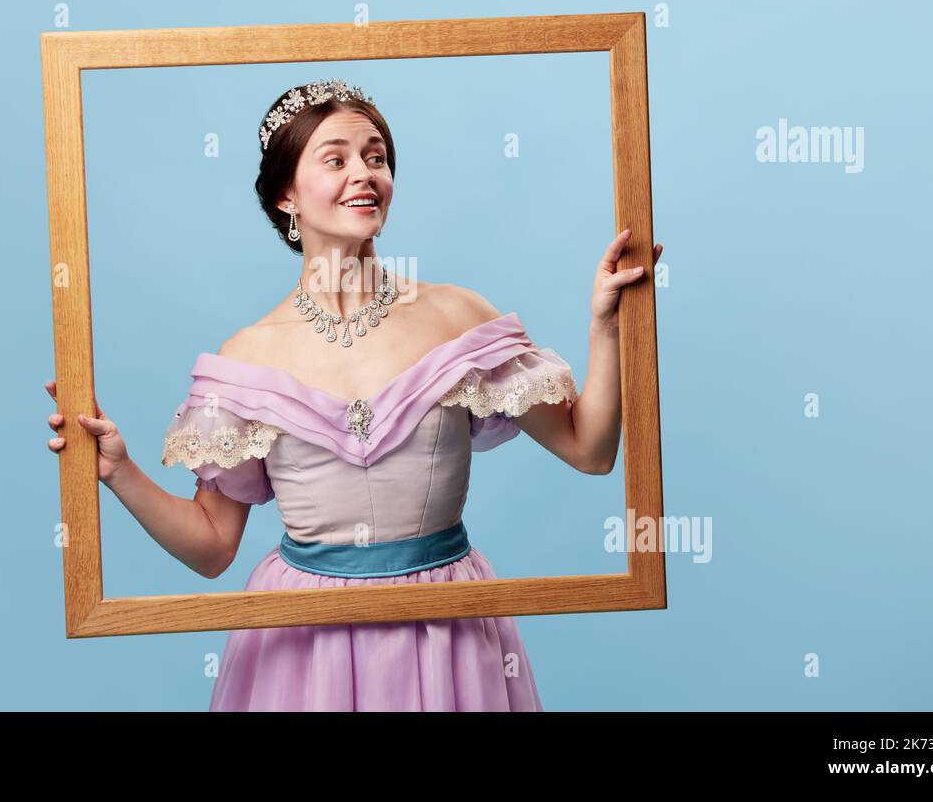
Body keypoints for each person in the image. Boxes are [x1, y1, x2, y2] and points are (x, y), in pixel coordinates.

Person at [44, 79, 662, 711]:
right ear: (287, 194)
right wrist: (119, 473)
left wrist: (606, 326)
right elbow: (211, 547)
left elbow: (591, 449)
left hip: (447, 628)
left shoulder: (456, 316)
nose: (364, 174)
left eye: (376, 156)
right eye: (335, 159)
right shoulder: (247, 356)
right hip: (301, 647)